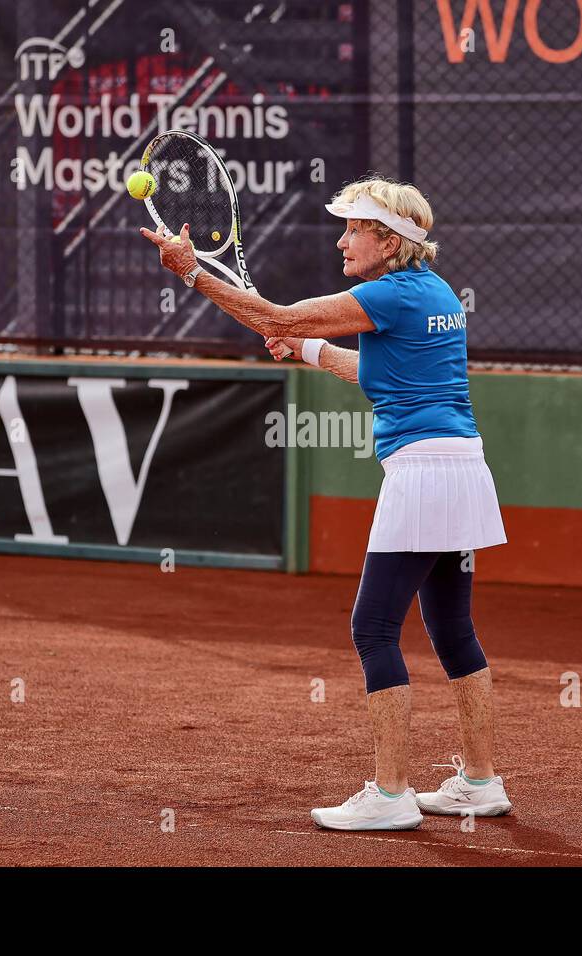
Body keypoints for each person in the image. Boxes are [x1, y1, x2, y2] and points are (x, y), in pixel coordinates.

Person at [140, 176, 511, 830]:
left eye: (355, 230)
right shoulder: (433, 293)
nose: (342, 240)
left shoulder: (388, 293)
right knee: (453, 631)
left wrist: (193, 272)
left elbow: (274, 316)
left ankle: (391, 794)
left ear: (390, 241)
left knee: (372, 629)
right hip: (464, 469)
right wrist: (307, 347)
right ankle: (481, 781)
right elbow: (373, 373)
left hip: (421, 474)